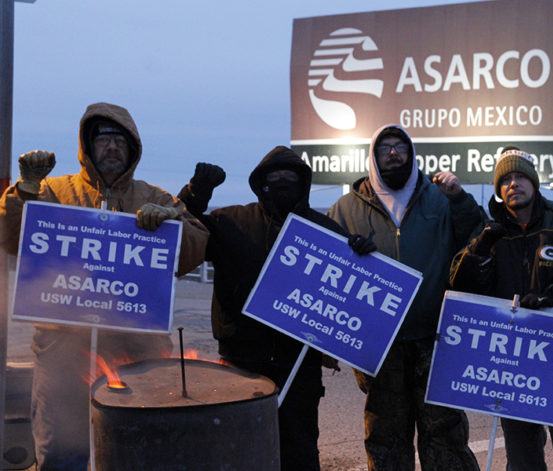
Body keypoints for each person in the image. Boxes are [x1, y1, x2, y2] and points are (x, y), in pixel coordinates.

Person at [0, 102, 209, 471]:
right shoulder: (53, 191)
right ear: (87, 145)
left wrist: (173, 223)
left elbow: (195, 247)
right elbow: (9, 236)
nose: (112, 147)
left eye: (120, 141)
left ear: (133, 150)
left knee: (137, 451)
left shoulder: (154, 196)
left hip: (137, 352)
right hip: (61, 350)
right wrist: (24, 192)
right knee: (61, 451)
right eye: (103, 139)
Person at [177, 146, 375, 471]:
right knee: (238, 453)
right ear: (260, 182)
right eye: (274, 176)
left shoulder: (323, 231)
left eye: (290, 177)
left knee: (298, 454)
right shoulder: (231, 221)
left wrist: (361, 254)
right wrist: (197, 193)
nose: (282, 182)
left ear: (303, 183)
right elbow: (186, 235)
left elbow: (355, 287)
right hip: (240, 363)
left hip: (298, 367)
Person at [326, 124, 483, 470]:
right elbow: (327, 272)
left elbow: (479, 239)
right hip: (379, 345)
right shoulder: (344, 209)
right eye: (385, 148)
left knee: (445, 435)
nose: (394, 153)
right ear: (373, 156)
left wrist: (460, 199)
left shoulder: (441, 199)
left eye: (401, 147)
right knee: (386, 438)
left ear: (412, 155)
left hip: (436, 337)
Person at [449, 146, 553, 471]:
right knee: (522, 456)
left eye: (521, 176)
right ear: (498, 188)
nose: (514, 184)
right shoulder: (489, 231)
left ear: (535, 183)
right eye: (506, 179)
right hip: (512, 358)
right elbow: (459, 284)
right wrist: (478, 252)